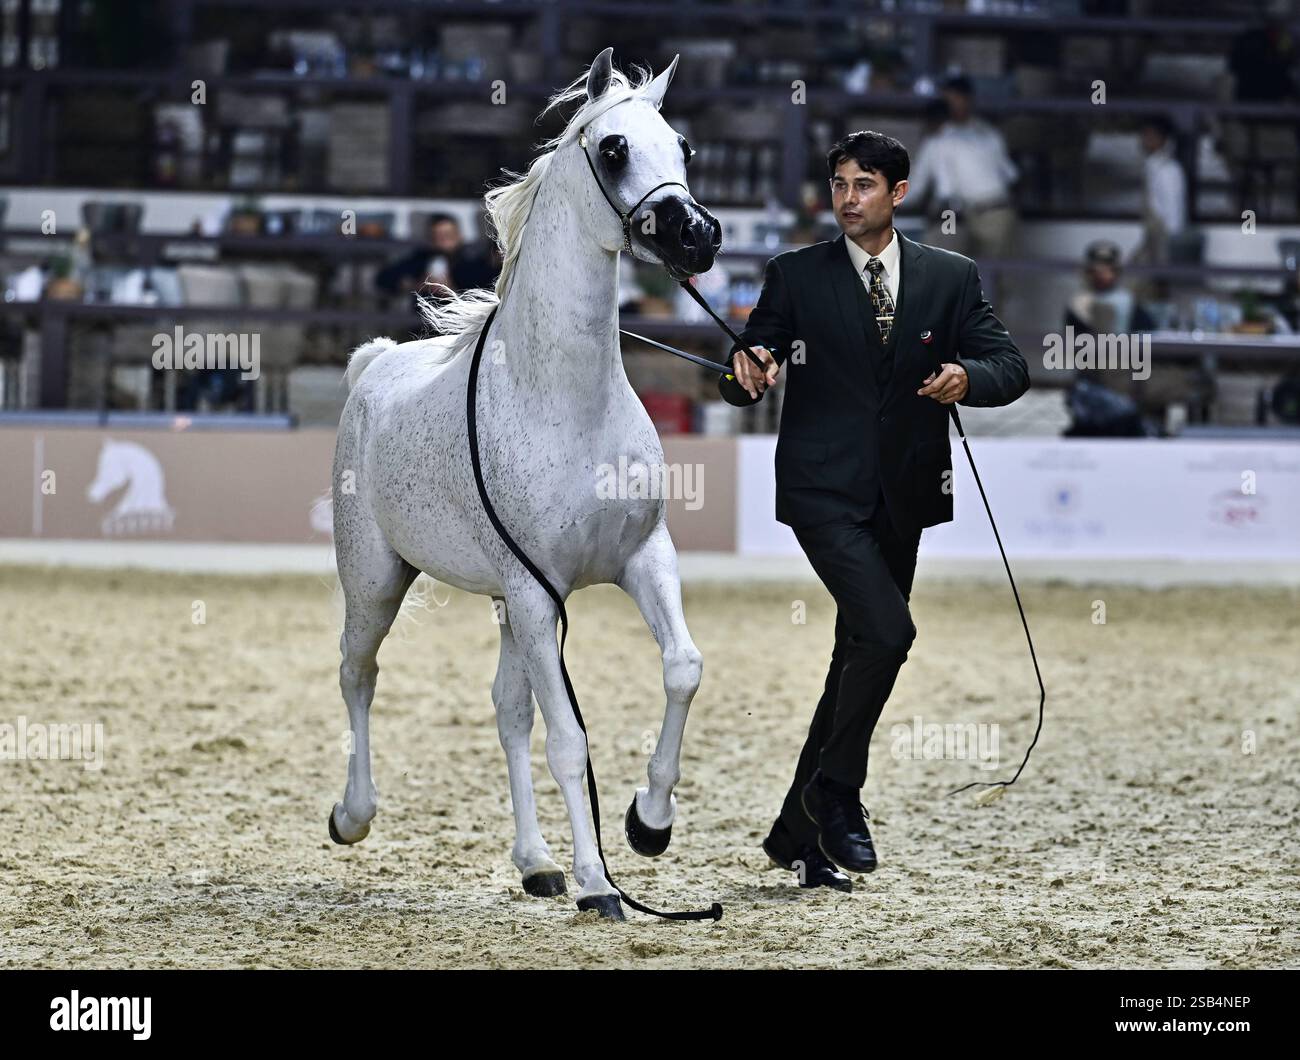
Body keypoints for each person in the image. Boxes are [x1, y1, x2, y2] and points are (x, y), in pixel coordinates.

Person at [728, 130, 1029, 891]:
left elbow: (1010, 366)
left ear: (898, 193)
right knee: (890, 631)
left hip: (906, 492)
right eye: (838, 184)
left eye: (863, 185)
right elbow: (753, 357)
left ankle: (796, 836)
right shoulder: (795, 274)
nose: (847, 198)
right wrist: (748, 371)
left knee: (855, 653)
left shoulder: (950, 277)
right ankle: (837, 792)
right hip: (821, 492)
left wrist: (968, 375)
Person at [908, 74, 1019, 265]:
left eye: (954, 99)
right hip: (959, 215)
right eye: (947, 100)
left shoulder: (981, 133)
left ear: (968, 100)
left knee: (991, 277)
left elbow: (920, 190)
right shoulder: (947, 136)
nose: (951, 105)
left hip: (991, 213)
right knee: (970, 274)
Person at [375, 213, 497, 301]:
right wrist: (417, 284)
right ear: (431, 240)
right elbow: (383, 278)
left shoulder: (472, 263)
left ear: (459, 236)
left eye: (448, 235)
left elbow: (488, 290)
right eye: (438, 237)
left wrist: (453, 291)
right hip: (423, 326)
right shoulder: (420, 260)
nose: (444, 241)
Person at [1064, 240, 1156, 335]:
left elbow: (1149, 333)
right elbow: (1072, 340)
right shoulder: (1077, 304)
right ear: (1089, 272)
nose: (1102, 275)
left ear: (1117, 272)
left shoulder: (1129, 302)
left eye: (1108, 270)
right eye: (1097, 270)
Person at [1132, 116, 1187, 270]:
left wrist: (1171, 251)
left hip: (1164, 240)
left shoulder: (1169, 170)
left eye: (1150, 136)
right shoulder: (1151, 166)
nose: (1145, 140)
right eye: (1144, 135)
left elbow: (1174, 212)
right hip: (1152, 238)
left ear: (1162, 139)